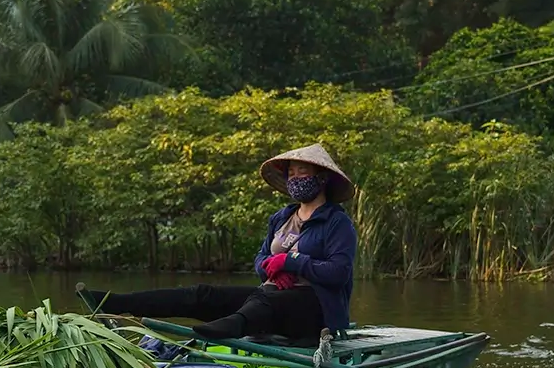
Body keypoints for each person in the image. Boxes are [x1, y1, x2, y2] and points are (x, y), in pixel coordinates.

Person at [78, 144, 357, 342]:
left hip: (316, 311)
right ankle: (115, 303)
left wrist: (292, 262)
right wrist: (272, 268)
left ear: (321, 179)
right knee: (203, 294)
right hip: (271, 298)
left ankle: (231, 327)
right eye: (291, 174)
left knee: (264, 299)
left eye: (302, 172)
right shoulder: (281, 218)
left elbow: (339, 273)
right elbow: (260, 262)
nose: (295, 179)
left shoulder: (336, 222)